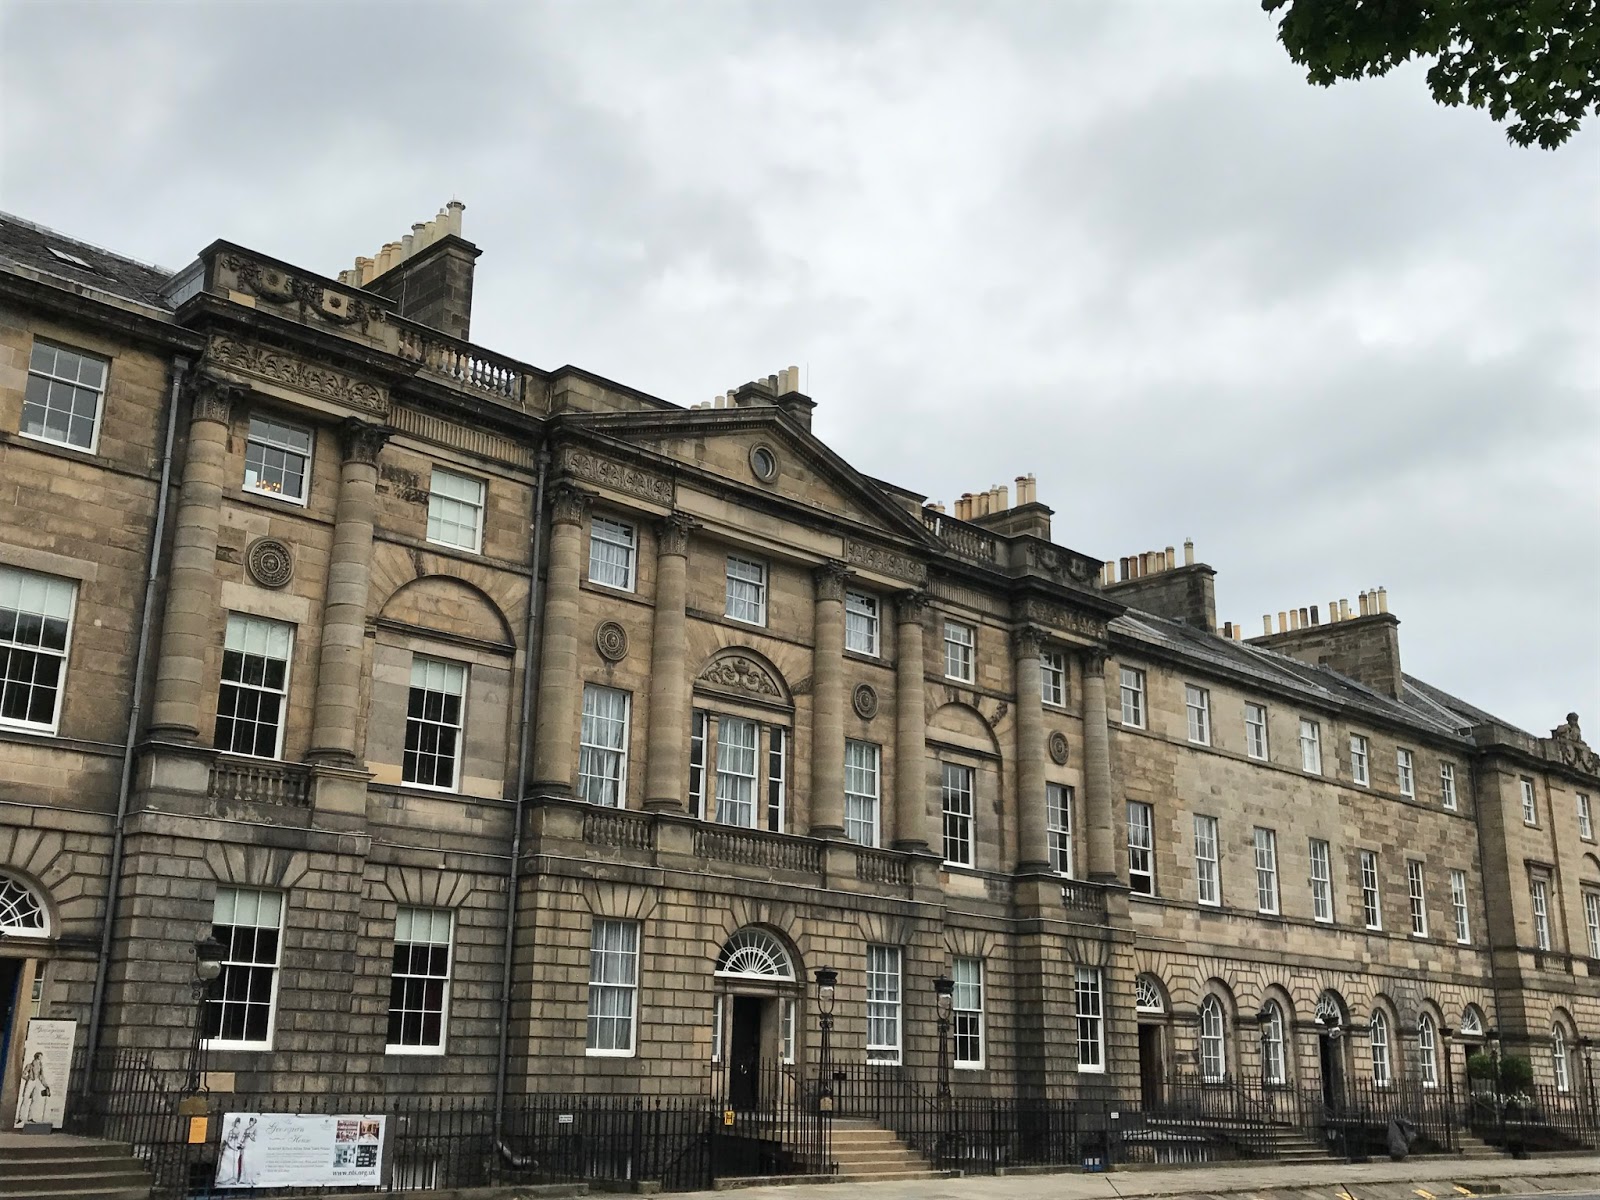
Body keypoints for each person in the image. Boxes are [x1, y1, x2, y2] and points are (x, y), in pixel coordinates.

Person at [14, 1052, 47, 1126]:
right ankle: (21, 1117)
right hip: (31, 1082)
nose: (40, 1059)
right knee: (25, 1099)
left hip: (37, 1082)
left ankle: (30, 1117)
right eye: (40, 1057)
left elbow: (42, 1077)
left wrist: (46, 1085)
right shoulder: (29, 1065)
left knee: (35, 1100)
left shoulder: (41, 1066)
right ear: (37, 1057)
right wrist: (28, 1078)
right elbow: (23, 1074)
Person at [215, 1117, 244, 1186]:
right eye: (236, 1123)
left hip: (236, 1149)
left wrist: (239, 1145)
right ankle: (225, 1178)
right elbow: (229, 1140)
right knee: (228, 1163)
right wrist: (233, 1147)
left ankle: (234, 1178)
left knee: (234, 1164)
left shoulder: (239, 1131)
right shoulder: (231, 1131)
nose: (237, 1124)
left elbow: (239, 1140)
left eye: (238, 1123)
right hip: (231, 1148)